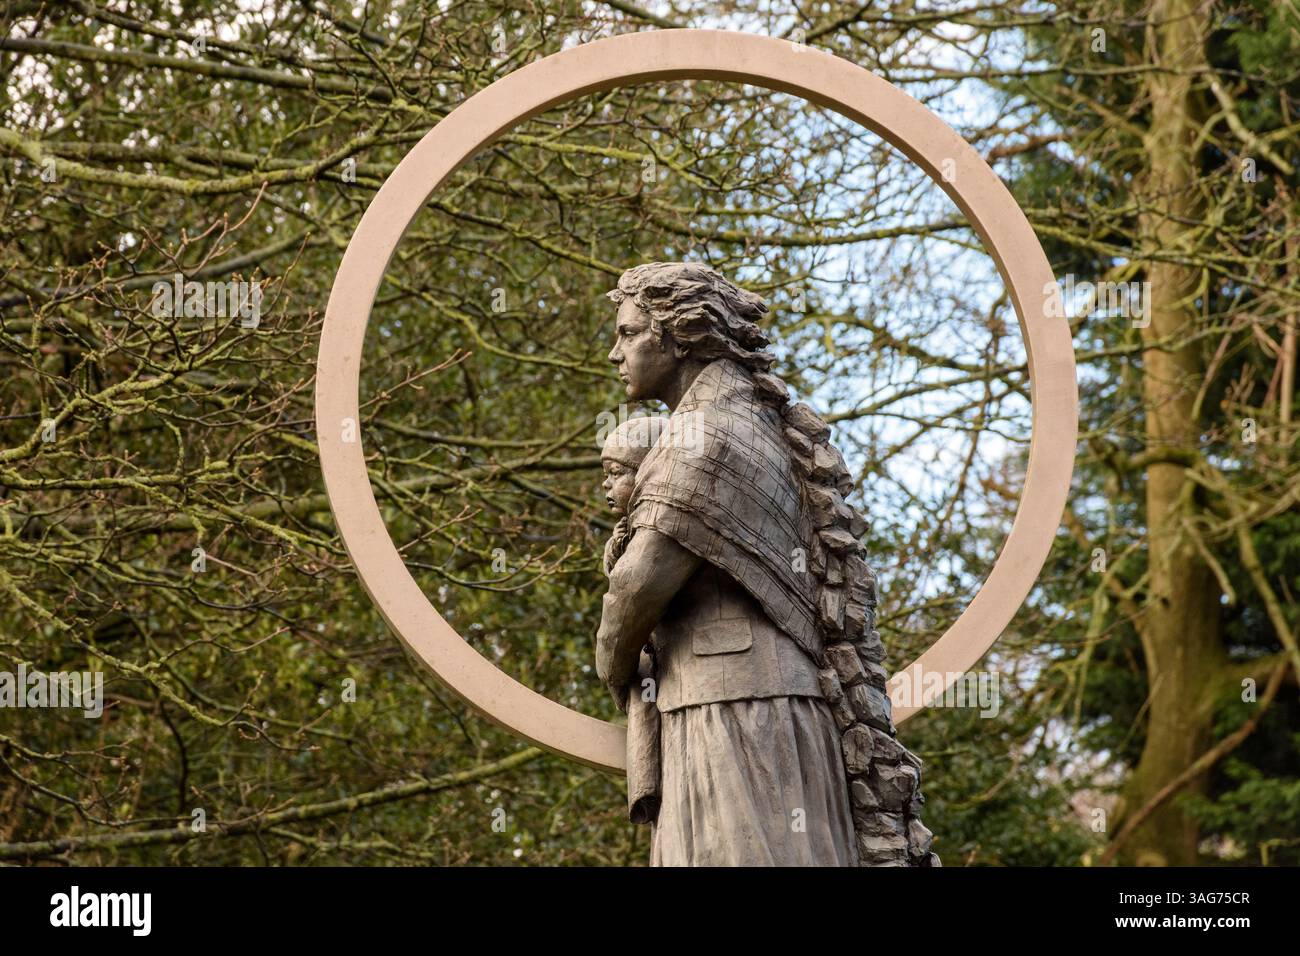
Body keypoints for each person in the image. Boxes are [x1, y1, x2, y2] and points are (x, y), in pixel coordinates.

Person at [595, 261, 857, 866]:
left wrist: (612, 663)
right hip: (747, 699)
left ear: (678, 335)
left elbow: (637, 586)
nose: (615, 352)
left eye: (629, 333)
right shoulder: (746, 421)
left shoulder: (705, 435)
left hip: (735, 707)